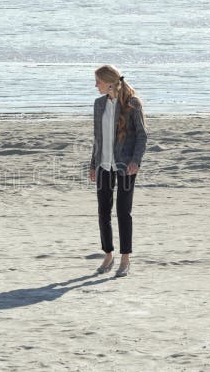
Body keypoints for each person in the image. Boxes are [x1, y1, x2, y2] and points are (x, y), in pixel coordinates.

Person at [89, 65, 147, 277]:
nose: (96, 85)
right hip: (104, 164)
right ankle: (108, 255)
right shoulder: (98, 104)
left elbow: (142, 136)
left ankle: (125, 258)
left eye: (98, 81)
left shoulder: (132, 104)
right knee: (103, 212)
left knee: (124, 212)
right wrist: (93, 165)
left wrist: (136, 161)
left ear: (110, 82)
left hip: (125, 166)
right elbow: (97, 138)